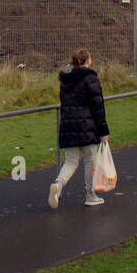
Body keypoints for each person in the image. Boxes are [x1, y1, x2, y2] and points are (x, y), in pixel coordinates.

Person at [49, 49, 110, 209]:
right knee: (90, 161)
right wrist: (103, 131)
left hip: (68, 125)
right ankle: (90, 195)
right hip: (87, 125)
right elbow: (98, 107)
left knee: (70, 161)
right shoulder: (90, 77)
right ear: (87, 61)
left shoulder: (65, 80)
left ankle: (58, 184)